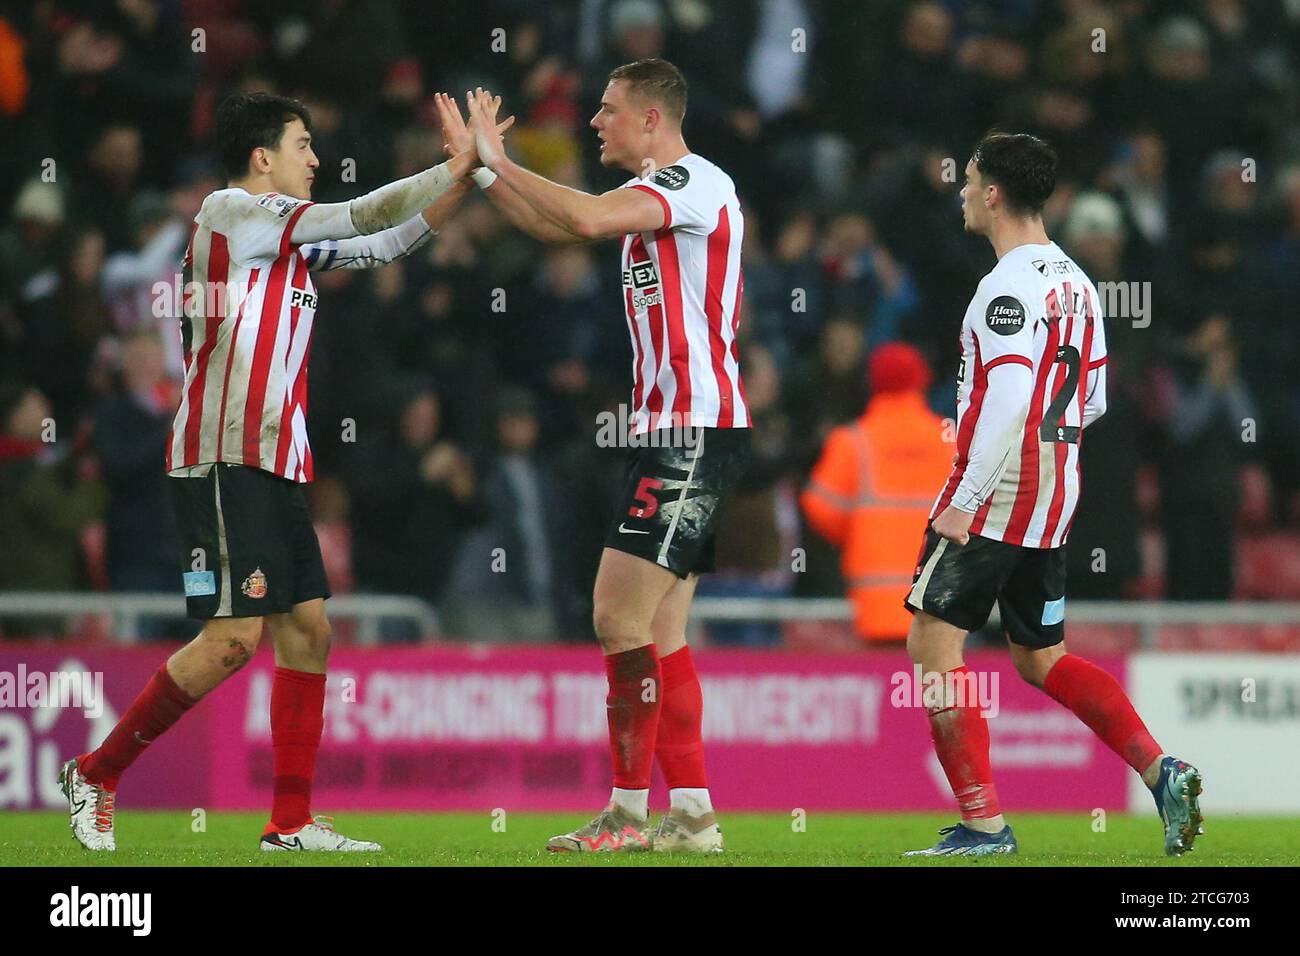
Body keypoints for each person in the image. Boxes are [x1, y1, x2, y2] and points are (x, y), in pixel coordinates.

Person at [60, 90, 511, 853]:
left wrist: (464, 180)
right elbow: (364, 215)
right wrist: (451, 162)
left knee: (308, 632)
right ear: (263, 155)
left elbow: (384, 245)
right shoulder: (231, 212)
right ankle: (97, 772)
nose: (318, 159)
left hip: (275, 459)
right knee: (233, 640)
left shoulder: (286, 240)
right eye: (304, 145)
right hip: (223, 452)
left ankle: (291, 823)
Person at [438, 58, 751, 853]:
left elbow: (580, 222)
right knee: (661, 633)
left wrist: (502, 159)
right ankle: (692, 817)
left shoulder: (692, 182)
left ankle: (625, 815)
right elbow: (554, 227)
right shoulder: (651, 201)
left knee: (616, 617)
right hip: (676, 431)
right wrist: (479, 173)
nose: (593, 121)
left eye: (608, 109)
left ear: (652, 118)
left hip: (693, 429)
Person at [902, 132, 1204, 857]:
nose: (963, 191)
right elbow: (1092, 398)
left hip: (999, 491)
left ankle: (983, 826)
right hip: (1055, 494)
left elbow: (1006, 405)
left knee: (932, 644)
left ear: (996, 193)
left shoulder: (1005, 288)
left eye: (970, 180)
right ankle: (1162, 771)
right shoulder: (1075, 279)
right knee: (1040, 657)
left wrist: (967, 500)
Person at [801, 343, 952, 643]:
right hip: (942, 602)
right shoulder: (950, 440)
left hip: (875, 605)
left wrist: (856, 533)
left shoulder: (852, 441)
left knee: (886, 685)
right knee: (939, 683)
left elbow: (818, 506)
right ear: (922, 380)